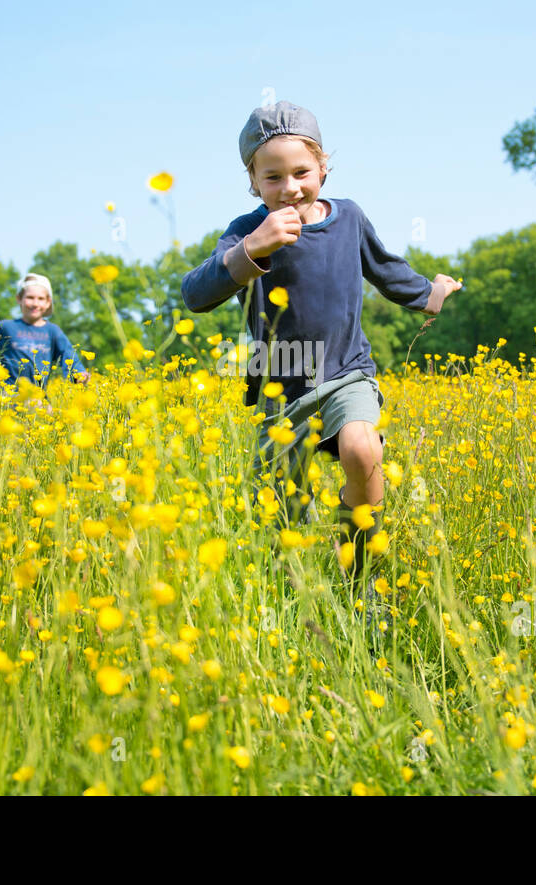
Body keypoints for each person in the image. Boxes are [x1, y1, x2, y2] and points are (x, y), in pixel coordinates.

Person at [180, 101, 461, 603]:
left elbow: (385, 268)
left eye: (302, 172)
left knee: (361, 447)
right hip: (280, 389)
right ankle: (294, 609)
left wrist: (429, 294)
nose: (289, 188)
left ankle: (365, 581)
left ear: (323, 167)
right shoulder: (247, 229)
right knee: (282, 518)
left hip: (347, 373)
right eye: (273, 178)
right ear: (253, 181)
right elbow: (197, 293)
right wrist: (252, 250)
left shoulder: (348, 217)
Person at [0, 272, 89, 388]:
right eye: (30, 298)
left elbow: (69, 356)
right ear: (19, 299)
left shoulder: (53, 331)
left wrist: (78, 375)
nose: (35, 304)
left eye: (41, 299)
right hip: (6, 400)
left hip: (38, 399)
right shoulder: (6, 327)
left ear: (48, 302)